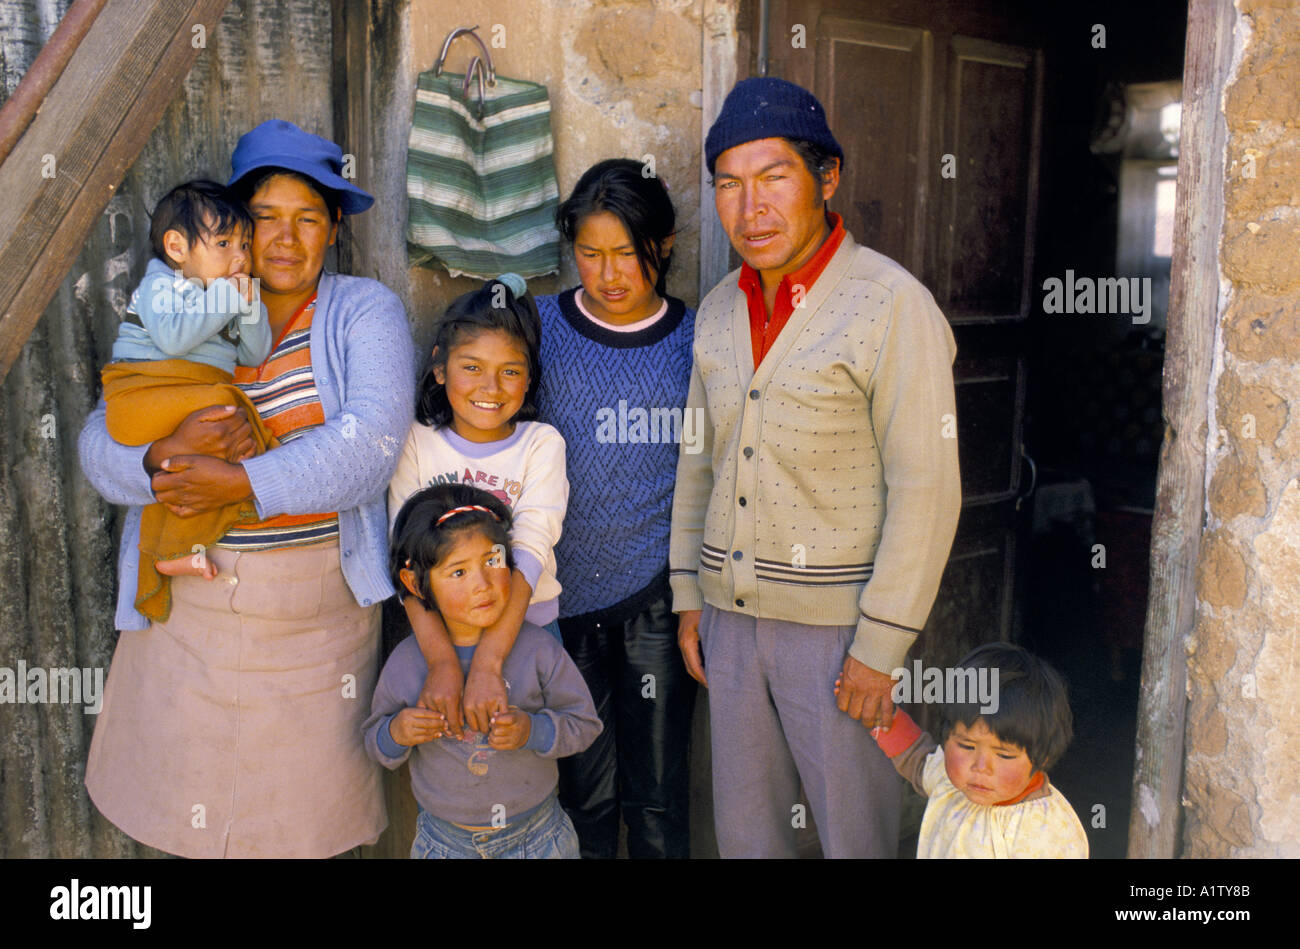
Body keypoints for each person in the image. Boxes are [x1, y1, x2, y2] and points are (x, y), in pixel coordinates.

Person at [77, 119, 415, 857]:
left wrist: (237, 479)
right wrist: (157, 459)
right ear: (236, 225)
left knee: (299, 831)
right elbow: (99, 444)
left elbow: (372, 446)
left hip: (315, 630)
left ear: (332, 232)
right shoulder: (181, 303)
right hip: (186, 622)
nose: (286, 240)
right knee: (185, 825)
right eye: (265, 219)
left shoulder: (364, 311)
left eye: (309, 220)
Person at [669, 77, 962, 857]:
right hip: (730, 623)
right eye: (728, 184)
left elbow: (927, 489)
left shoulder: (892, 305)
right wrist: (688, 593)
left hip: (839, 634)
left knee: (852, 834)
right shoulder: (723, 307)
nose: (748, 207)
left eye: (774, 178)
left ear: (826, 179)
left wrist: (881, 643)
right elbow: (700, 458)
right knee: (747, 834)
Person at [534, 159, 696, 858]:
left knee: (656, 797)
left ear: (660, 246)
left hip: (655, 605)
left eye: (626, 252)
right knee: (582, 799)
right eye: (590, 253)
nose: (607, 273)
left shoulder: (697, 338)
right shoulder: (538, 327)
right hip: (559, 605)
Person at [364, 484, 601, 858]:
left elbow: (585, 725)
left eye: (493, 561)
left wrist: (532, 731)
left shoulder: (538, 649)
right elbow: (375, 743)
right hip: (444, 846)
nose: (482, 584)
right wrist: (399, 731)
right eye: (458, 572)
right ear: (414, 583)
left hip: (538, 840)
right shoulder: (408, 663)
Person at [386, 275, 568, 743]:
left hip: (527, 632)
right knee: (452, 761)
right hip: (437, 638)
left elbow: (529, 550)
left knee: (521, 752)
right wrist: (444, 663)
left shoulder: (540, 445)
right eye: (472, 366)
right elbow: (406, 560)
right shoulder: (417, 442)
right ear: (440, 369)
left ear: (530, 377)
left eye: (510, 370)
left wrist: (488, 662)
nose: (491, 386)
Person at [100, 179, 275, 622]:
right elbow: (174, 338)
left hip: (183, 399)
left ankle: (173, 554)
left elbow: (253, 353)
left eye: (245, 244)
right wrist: (227, 296)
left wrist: (250, 307)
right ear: (177, 248)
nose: (240, 256)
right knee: (231, 409)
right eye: (223, 243)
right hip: (142, 395)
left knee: (190, 479)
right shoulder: (163, 286)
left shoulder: (223, 292)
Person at [865, 643, 1089, 858]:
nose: (981, 767)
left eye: (1004, 754)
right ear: (947, 737)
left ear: (1042, 759)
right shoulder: (948, 783)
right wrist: (879, 715)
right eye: (966, 746)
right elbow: (917, 756)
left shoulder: (1047, 832)